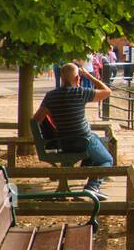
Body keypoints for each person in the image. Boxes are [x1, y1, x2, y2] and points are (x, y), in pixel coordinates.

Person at [33, 62, 113, 199]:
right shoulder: (81, 92)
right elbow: (107, 91)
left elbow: (36, 119)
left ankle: (86, 170)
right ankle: (92, 186)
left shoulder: (51, 96)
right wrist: (89, 76)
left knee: (95, 139)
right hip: (83, 141)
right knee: (107, 160)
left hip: (62, 142)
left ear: (61, 78)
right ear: (77, 79)